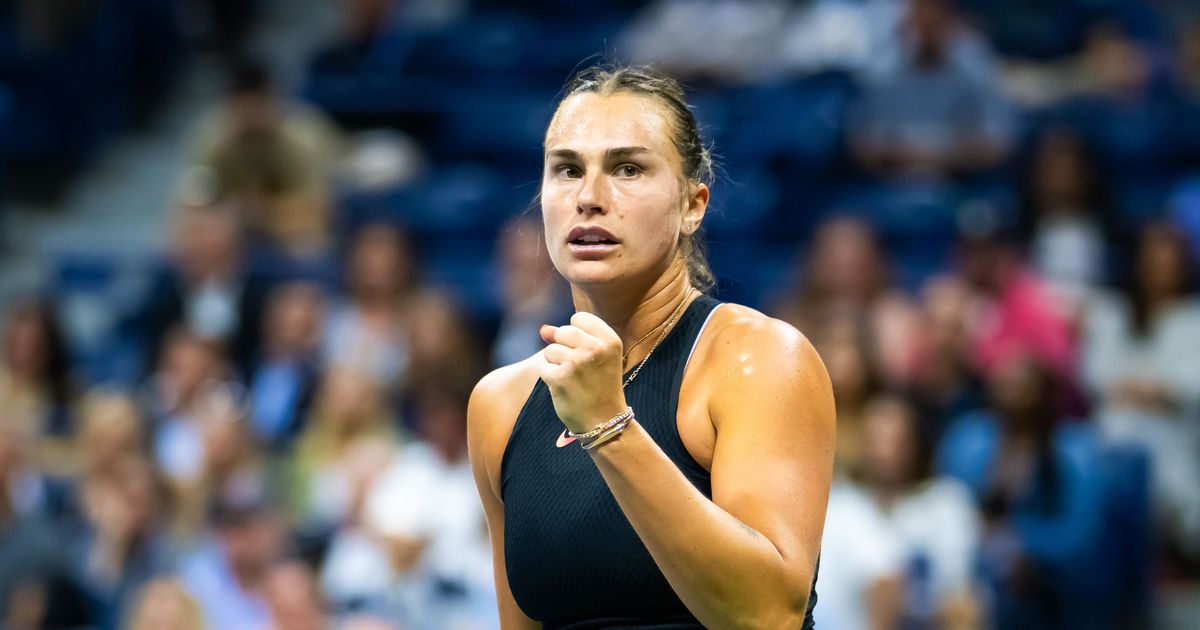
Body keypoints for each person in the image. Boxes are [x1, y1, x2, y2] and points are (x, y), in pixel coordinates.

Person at [467, 65, 834, 628]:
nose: (589, 198)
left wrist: (609, 425)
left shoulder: (758, 360)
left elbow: (768, 615)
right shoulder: (500, 404)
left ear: (693, 204)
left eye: (628, 168)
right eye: (566, 169)